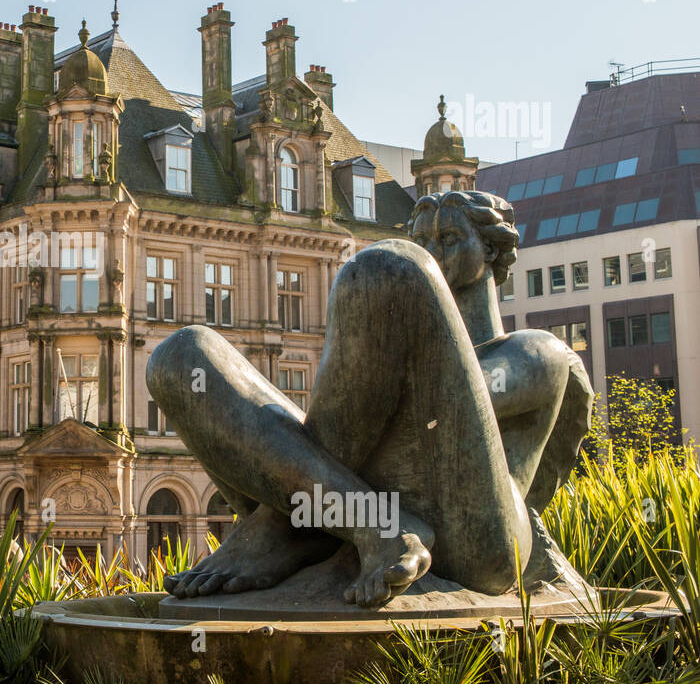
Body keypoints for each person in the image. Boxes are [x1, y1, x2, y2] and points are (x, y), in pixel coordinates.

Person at [148, 191, 590, 608]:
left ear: (491, 252)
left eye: (450, 239)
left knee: (385, 267)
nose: (433, 251)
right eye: (424, 240)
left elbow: (448, 408)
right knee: (180, 357)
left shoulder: (538, 352)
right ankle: (372, 529)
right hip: (352, 501)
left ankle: (285, 524)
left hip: (475, 543)